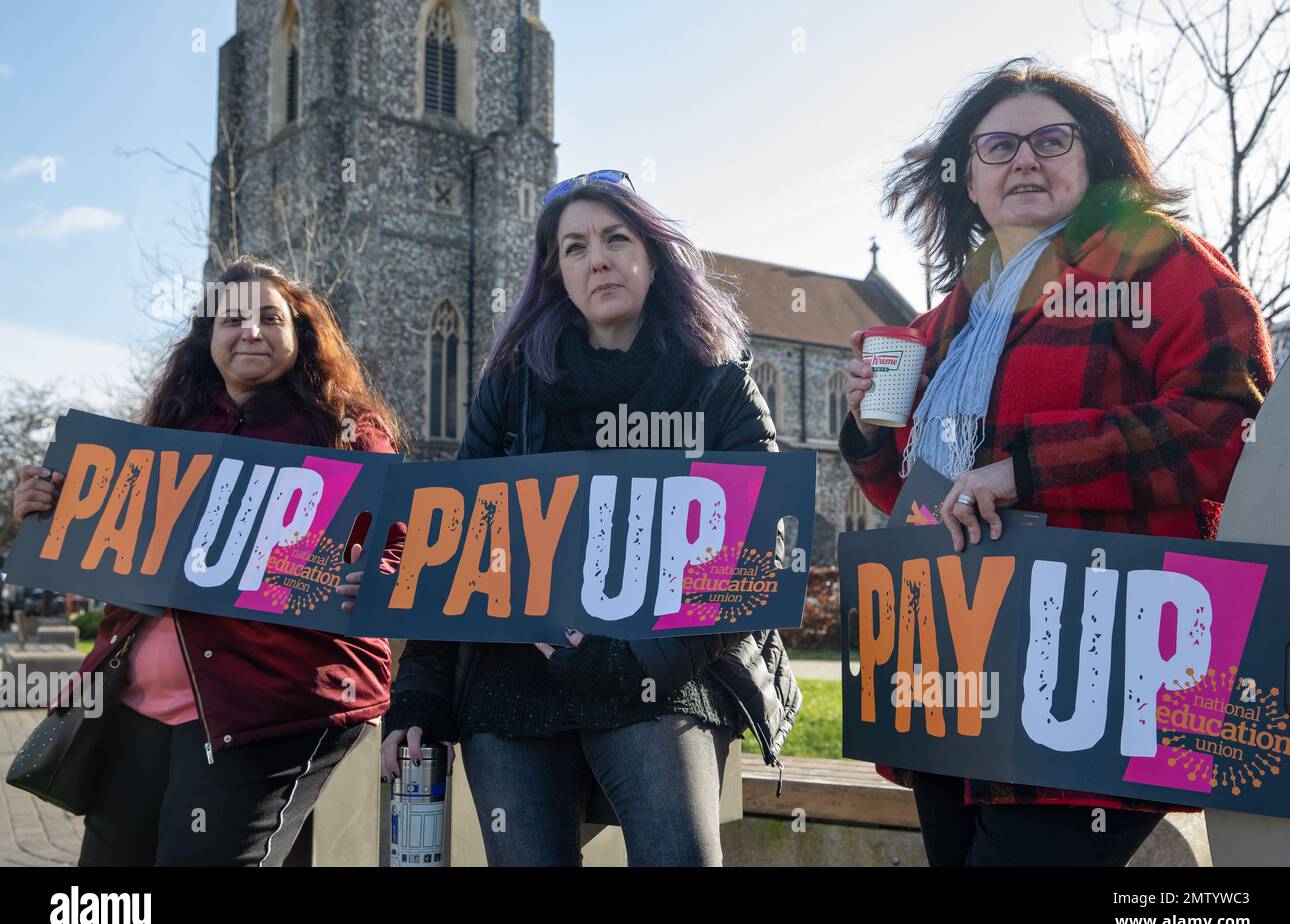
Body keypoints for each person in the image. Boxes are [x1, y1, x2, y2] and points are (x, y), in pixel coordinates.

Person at [839, 59, 1275, 866]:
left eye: (1050, 139)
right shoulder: (946, 319)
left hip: (1106, 660)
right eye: (997, 147)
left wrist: (1026, 470)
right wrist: (869, 429)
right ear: (967, 178)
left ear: (1093, 158)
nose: (1025, 161)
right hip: (954, 658)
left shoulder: (1155, 263)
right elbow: (910, 494)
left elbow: (1231, 427)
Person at [368, 170, 802, 867]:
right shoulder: (510, 386)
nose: (596, 258)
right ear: (556, 273)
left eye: (615, 238)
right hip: (514, 681)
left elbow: (753, 561)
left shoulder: (718, 380)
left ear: (653, 256)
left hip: (665, 672)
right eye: (574, 247)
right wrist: (416, 701)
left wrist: (628, 663)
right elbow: (450, 551)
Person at [11, 256, 407, 866]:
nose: (250, 331)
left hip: (263, 711)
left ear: (300, 334)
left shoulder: (347, 433)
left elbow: (398, 550)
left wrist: (374, 582)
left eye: (270, 318)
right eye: (231, 320)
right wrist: (47, 508)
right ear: (209, 337)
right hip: (136, 708)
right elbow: (114, 542)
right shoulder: (171, 427)